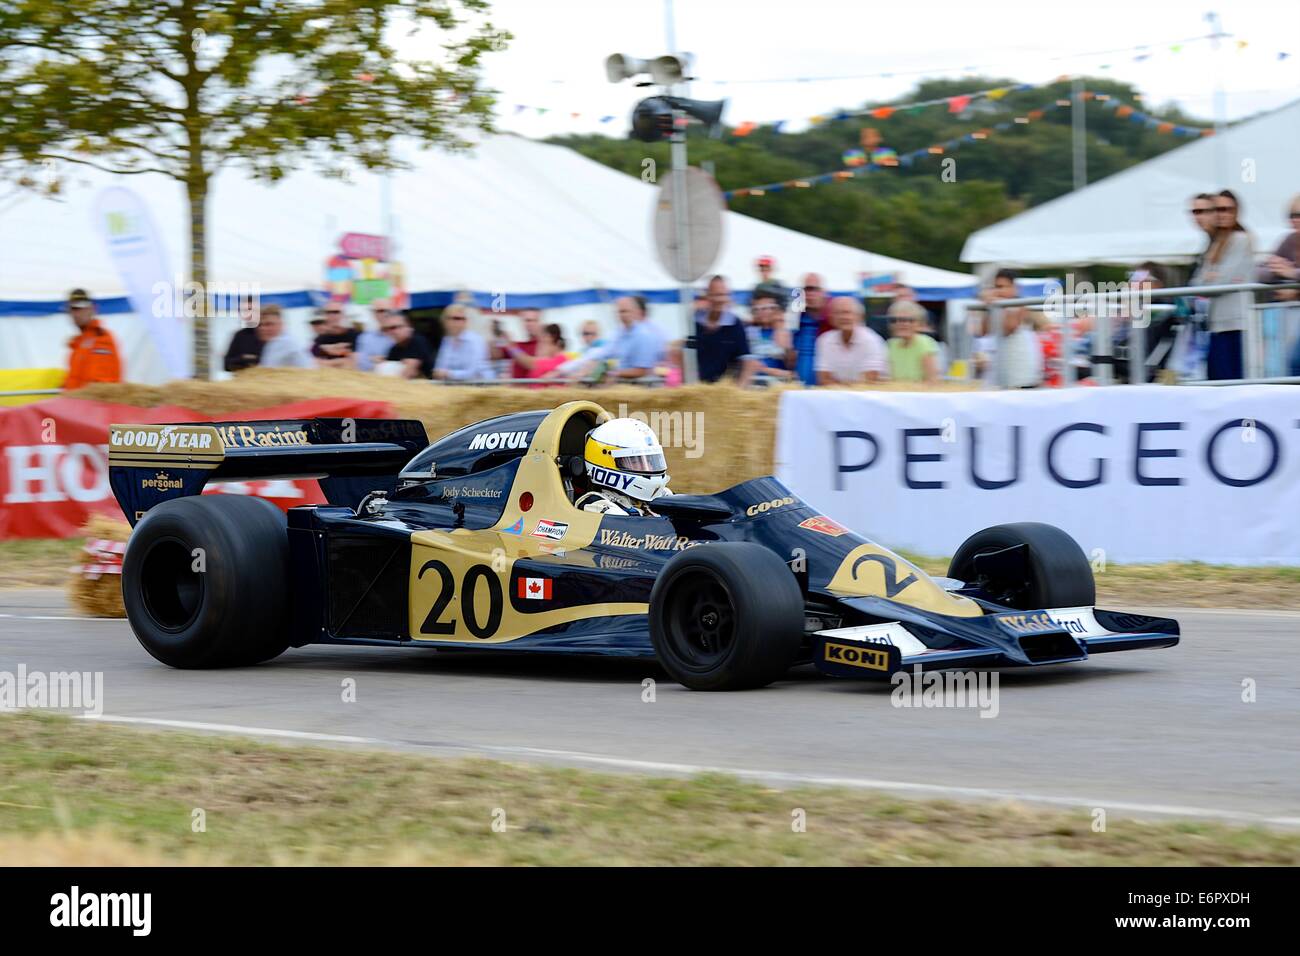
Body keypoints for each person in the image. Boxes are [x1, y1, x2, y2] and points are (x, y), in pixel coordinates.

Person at [1192, 189, 1255, 380]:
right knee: (1217, 383)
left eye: (1227, 209)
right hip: (1216, 324)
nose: (1222, 214)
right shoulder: (1215, 243)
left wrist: (1212, 277)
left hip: (1237, 323)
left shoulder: (1241, 239)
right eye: (1217, 209)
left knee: (1232, 384)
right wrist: (1210, 279)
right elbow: (1196, 282)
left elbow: (1221, 282)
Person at [575, 417, 672, 517]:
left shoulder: (660, 495)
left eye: (650, 460)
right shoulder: (595, 505)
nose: (649, 467)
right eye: (635, 461)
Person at [972, 269, 1043, 388]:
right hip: (1002, 371)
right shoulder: (996, 307)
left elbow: (1008, 329)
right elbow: (982, 331)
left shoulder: (1021, 305)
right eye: (995, 287)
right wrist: (989, 308)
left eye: (1001, 287)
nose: (997, 291)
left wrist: (995, 303)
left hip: (1022, 374)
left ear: (1014, 287)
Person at [692, 275, 756, 385]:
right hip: (699, 388)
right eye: (716, 295)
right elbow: (686, 353)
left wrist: (739, 388)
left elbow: (747, 360)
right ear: (707, 296)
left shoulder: (735, 324)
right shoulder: (695, 322)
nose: (720, 299)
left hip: (725, 390)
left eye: (724, 295)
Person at [814, 296, 887, 385]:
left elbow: (870, 381)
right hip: (835, 396)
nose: (844, 317)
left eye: (848, 313)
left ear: (859, 317)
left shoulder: (872, 340)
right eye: (838, 313)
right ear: (831, 318)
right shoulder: (824, 340)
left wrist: (840, 385)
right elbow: (824, 379)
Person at [63, 289, 122, 390]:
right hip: (75, 402)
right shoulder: (79, 343)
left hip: (88, 403)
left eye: (80, 308)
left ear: (92, 309)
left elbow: (101, 386)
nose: (76, 314)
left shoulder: (101, 339)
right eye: (72, 309)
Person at [605, 296, 666, 379]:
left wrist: (614, 373)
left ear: (635, 312)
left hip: (639, 385)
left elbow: (642, 371)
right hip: (625, 383)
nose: (621, 315)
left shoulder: (643, 335)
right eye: (619, 312)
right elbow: (606, 353)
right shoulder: (620, 334)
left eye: (625, 311)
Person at [432, 304, 493, 381]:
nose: (456, 322)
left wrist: (448, 373)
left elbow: (473, 372)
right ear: (445, 321)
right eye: (451, 318)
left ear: (466, 321)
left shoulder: (475, 340)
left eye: (460, 319)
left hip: (480, 386)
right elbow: (440, 368)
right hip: (456, 386)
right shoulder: (447, 341)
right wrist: (442, 373)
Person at [885, 300, 940, 383]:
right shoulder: (891, 345)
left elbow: (932, 380)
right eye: (895, 320)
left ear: (919, 323)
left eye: (909, 320)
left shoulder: (925, 343)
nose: (902, 324)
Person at [746, 290, 794, 379]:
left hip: (777, 384)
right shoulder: (748, 332)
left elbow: (792, 372)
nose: (762, 312)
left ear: (776, 310)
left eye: (766, 308)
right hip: (752, 384)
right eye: (757, 308)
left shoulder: (786, 333)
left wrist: (766, 370)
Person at [255, 303, 313, 368]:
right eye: (259, 325)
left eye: (269, 324)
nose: (262, 328)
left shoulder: (283, 343)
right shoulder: (276, 342)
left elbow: (266, 371)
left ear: (281, 324)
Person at [382, 312, 436, 379]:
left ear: (408, 326)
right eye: (386, 329)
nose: (391, 332)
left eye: (394, 327)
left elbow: (407, 374)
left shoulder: (417, 341)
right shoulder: (395, 348)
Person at [493, 308, 543, 379]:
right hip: (518, 389)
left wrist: (511, 346)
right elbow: (496, 355)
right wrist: (496, 334)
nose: (530, 324)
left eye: (534, 321)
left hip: (535, 388)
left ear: (540, 322)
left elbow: (532, 364)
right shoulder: (519, 345)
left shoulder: (545, 344)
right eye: (527, 321)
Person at [355, 300, 400, 371]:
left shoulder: (401, 335)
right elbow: (360, 363)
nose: (385, 314)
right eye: (381, 311)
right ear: (374, 314)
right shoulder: (365, 337)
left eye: (388, 311)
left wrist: (372, 359)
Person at [310, 302, 359, 369]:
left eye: (336, 312)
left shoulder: (354, 335)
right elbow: (316, 363)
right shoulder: (320, 339)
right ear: (325, 315)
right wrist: (341, 361)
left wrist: (328, 363)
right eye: (329, 312)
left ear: (343, 314)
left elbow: (354, 362)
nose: (332, 315)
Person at [223, 296, 263, 372]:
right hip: (244, 381)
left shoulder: (268, 332)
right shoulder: (239, 336)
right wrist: (243, 359)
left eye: (252, 310)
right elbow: (226, 365)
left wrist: (251, 359)